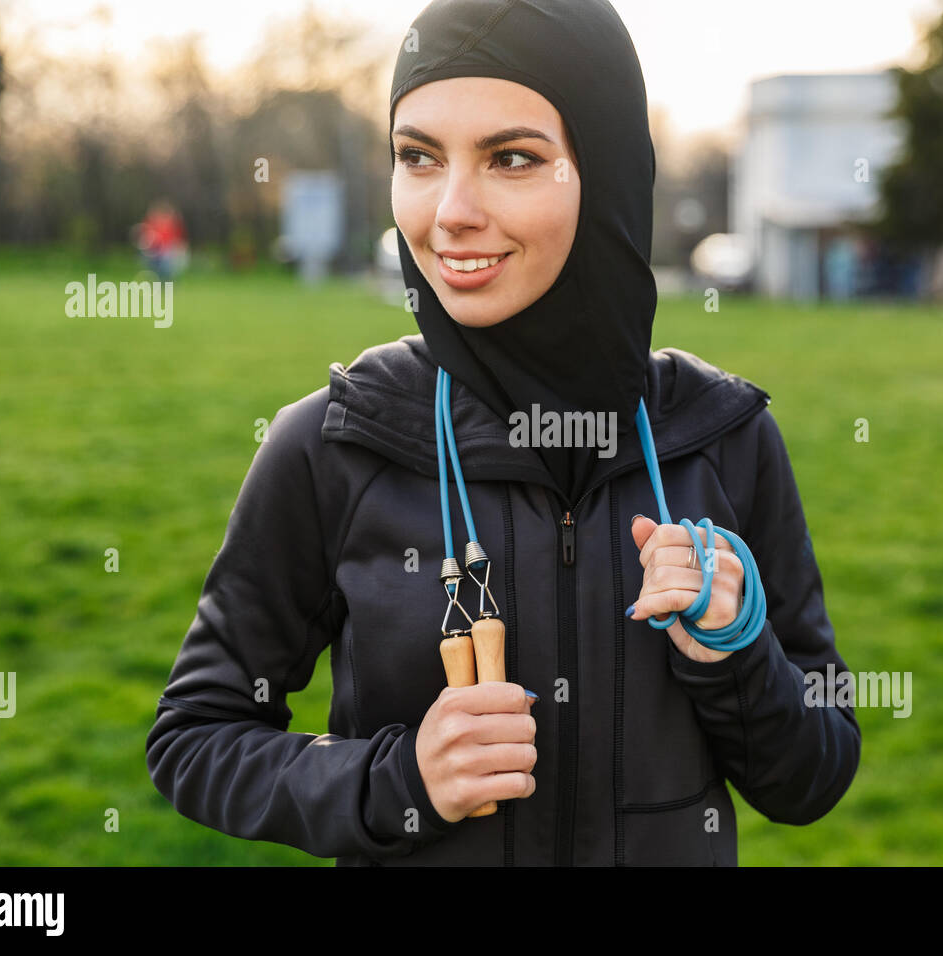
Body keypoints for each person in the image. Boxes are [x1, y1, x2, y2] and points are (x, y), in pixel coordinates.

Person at [146, 0, 860, 867]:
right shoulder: (333, 443)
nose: (450, 212)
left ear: (605, 174)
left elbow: (810, 778)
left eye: (511, 158)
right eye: (418, 157)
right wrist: (398, 782)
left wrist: (736, 642)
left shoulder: (723, 437)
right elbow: (195, 738)